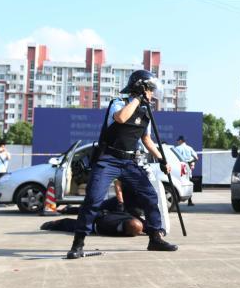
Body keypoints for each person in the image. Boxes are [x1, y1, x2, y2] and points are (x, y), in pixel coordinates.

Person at [66, 70, 177, 259]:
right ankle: (78, 243)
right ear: (140, 88)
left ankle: (155, 238)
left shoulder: (146, 112)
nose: (151, 95)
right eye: (149, 90)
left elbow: (146, 140)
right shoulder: (118, 103)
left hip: (129, 161)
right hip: (108, 159)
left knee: (150, 196)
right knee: (93, 200)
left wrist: (161, 159)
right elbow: (121, 118)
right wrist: (137, 99)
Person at [174, 135, 198, 206]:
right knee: (189, 183)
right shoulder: (189, 148)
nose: (177, 142)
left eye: (178, 140)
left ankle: (176, 200)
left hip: (180, 168)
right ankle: (190, 201)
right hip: (188, 168)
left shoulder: (177, 148)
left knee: (178, 183)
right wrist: (191, 163)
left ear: (181, 141)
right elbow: (196, 157)